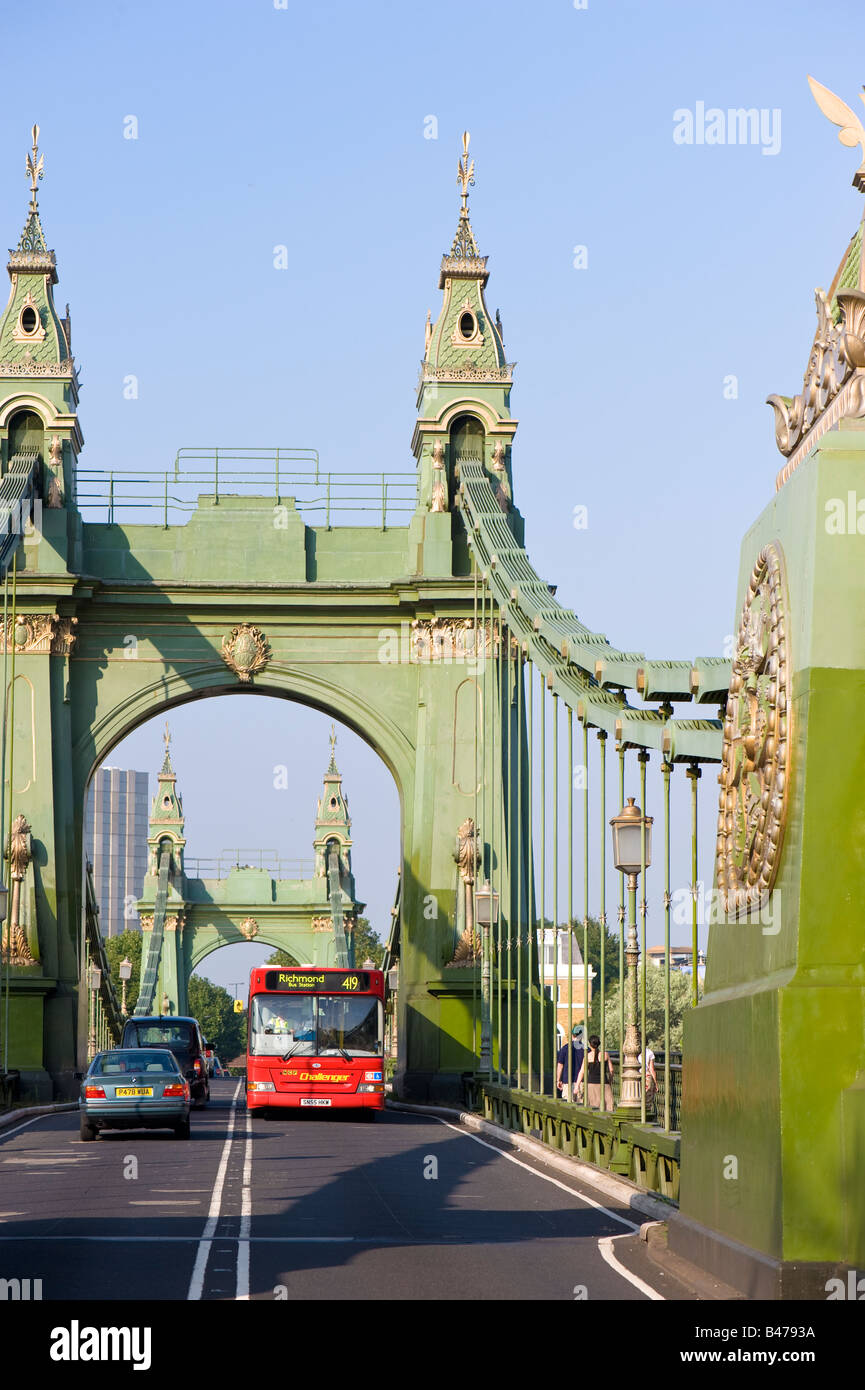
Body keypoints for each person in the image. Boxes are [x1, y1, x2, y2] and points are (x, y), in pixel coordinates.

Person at [576, 1034, 614, 1111]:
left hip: (591, 1085)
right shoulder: (605, 1055)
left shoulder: (587, 1056)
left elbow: (582, 1072)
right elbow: (611, 1070)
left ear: (590, 1044)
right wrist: (609, 1081)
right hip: (604, 1083)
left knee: (592, 1108)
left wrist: (577, 1086)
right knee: (607, 1107)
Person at [555, 1025, 585, 1101]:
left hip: (567, 1081)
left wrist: (558, 1080)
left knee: (567, 1105)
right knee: (581, 1106)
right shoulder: (586, 1049)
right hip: (581, 1082)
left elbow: (560, 1065)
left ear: (572, 1035)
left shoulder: (565, 1048)